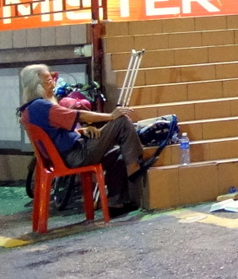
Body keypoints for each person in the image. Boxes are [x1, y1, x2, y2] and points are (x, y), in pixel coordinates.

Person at [17, 63, 147, 212]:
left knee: (118, 153)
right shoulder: (40, 106)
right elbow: (77, 115)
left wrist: (83, 131)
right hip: (75, 156)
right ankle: (133, 166)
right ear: (37, 85)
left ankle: (115, 203)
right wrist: (110, 116)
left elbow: (56, 134)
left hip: (68, 155)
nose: (53, 82)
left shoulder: (31, 109)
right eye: (48, 80)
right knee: (122, 121)